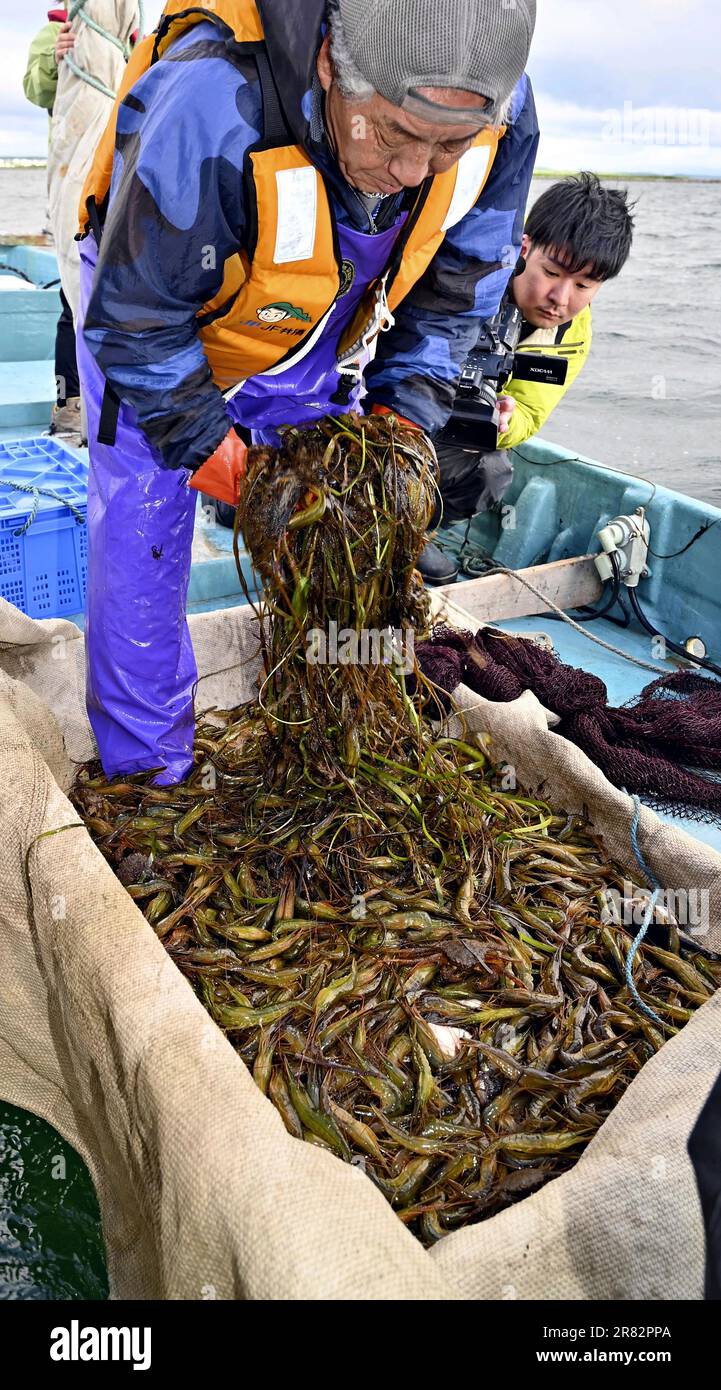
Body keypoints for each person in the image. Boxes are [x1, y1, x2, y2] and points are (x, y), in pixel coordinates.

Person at [75, 0, 539, 784]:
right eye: (392, 133)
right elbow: (137, 324)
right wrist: (234, 472)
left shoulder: (503, 117)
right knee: (143, 527)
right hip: (157, 308)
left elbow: (457, 288)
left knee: (340, 531)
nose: (413, 170)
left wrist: (404, 418)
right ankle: (148, 770)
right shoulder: (210, 99)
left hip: (318, 306)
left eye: (450, 145)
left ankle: (321, 724)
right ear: (329, 64)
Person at [421, 172, 636, 582]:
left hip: (458, 430)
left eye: (584, 285)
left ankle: (413, 530)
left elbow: (531, 412)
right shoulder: (464, 268)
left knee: (491, 471)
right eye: (552, 273)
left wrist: (504, 420)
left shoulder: (571, 332)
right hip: (392, 402)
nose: (561, 299)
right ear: (525, 245)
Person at [23, 9, 82, 443]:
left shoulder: (134, 41)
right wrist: (55, 60)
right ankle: (69, 404)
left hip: (123, 188)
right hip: (74, 189)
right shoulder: (54, 33)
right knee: (71, 300)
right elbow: (36, 89)